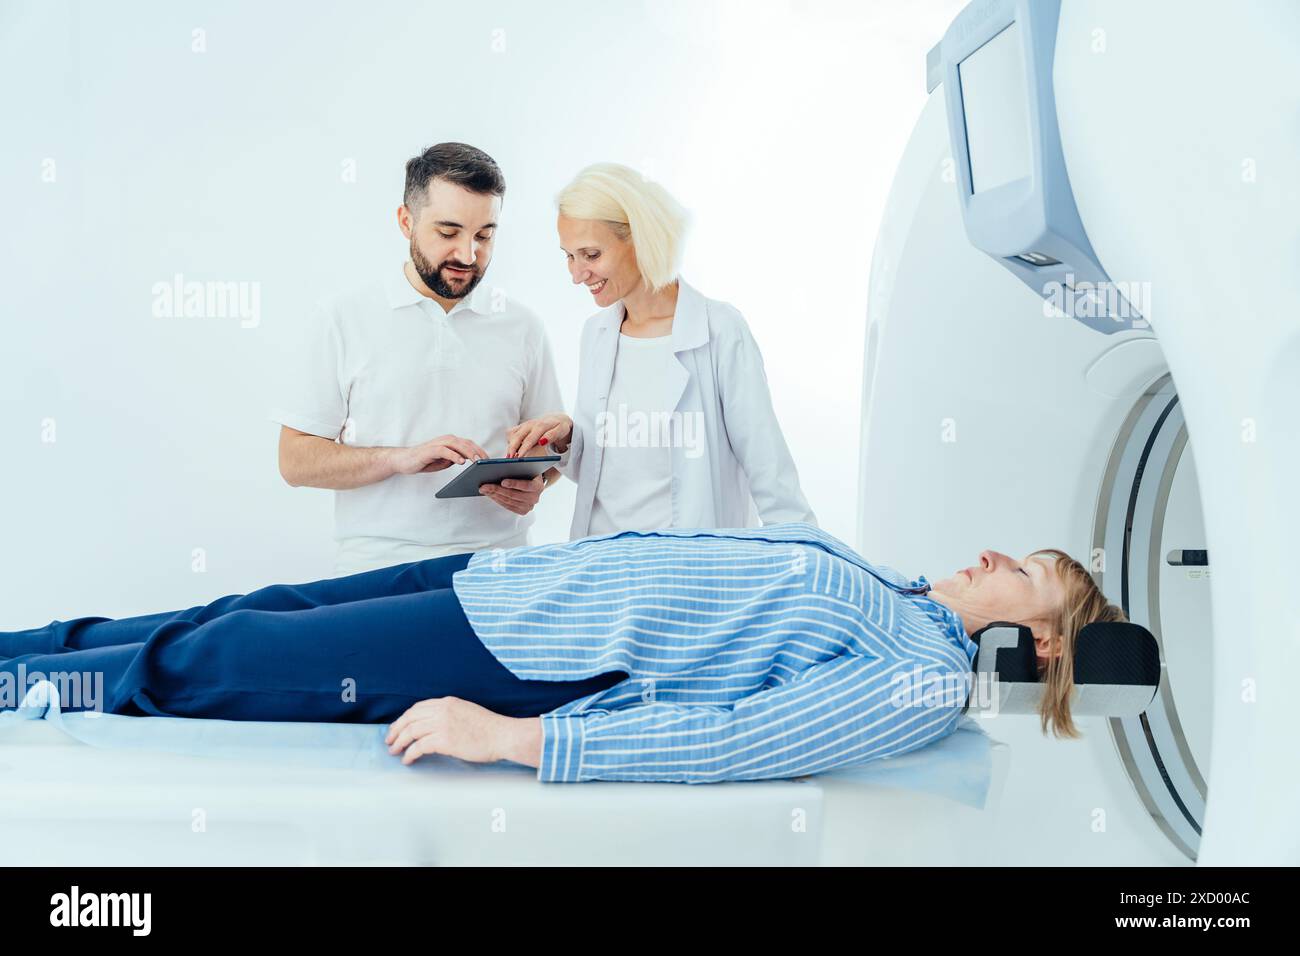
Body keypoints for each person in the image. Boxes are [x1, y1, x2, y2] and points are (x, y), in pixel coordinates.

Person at [0, 523, 1124, 784]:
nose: (997, 553)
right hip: (503, 580)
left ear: (1037, 634)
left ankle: (18, 688)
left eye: (1029, 571)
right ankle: (16, 654)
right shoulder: (884, 581)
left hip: (530, 652)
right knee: (234, 612)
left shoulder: (921, 672)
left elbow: (744, 739)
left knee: (218, 658)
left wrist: (518, 738)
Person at [271, 142, 566, 574]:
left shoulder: (523, 326)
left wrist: (538, 483)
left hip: (502, 569)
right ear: (406, 221)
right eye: (448, 233)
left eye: (484, 235)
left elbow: (551, 450)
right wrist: (397, 458)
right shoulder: (342, 319)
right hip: (378, 570)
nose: (468, 255)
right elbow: (294, 461)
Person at [506, 163, 816, 540]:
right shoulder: (597, 334)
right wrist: (568, 437)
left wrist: (805, 558)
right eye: (569, 256)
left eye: (590, 254)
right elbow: (605, 468)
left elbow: (769, 470)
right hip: (602, 565)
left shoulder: (719, 330)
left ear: (640, 239)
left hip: (685, 572)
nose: (577, 274)